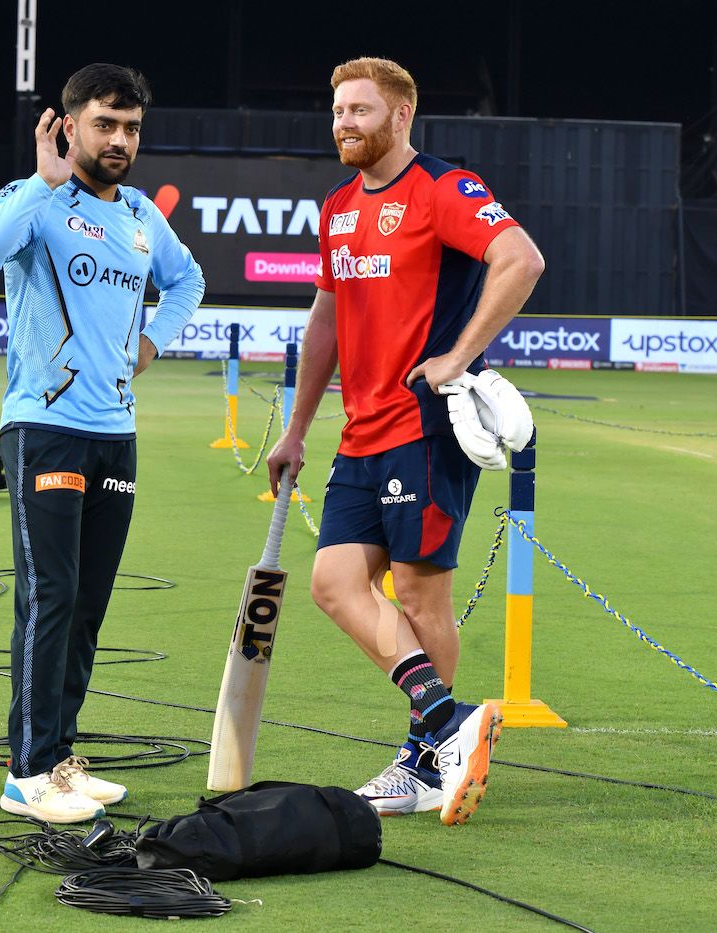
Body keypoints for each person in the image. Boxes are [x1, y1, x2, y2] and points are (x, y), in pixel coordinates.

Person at [265, 57, 545, 825]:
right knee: (333, 583)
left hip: (426, 427)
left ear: (399, 117)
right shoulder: (339, 207)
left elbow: (520, 259)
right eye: (337, 111)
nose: (343, 123)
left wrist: (457, 357)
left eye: (359, 110)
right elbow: (325, 319)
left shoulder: (444, 189)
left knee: (420, 593)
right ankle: (446, 724)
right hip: (360, 433)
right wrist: (296, 426)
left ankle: (425, 760)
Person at [0, 63, 205, 823]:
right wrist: (39, 181)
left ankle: (60, 756)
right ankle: (26, 772)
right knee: (50, 598)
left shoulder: (138, 215)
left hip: (115, 436)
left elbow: (188, 279)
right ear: (68, 126)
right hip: (45, 429)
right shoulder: (36, 203)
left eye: (131, 127)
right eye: (105, 124)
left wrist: (152, 344)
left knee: (88, 605)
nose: (121, 139)